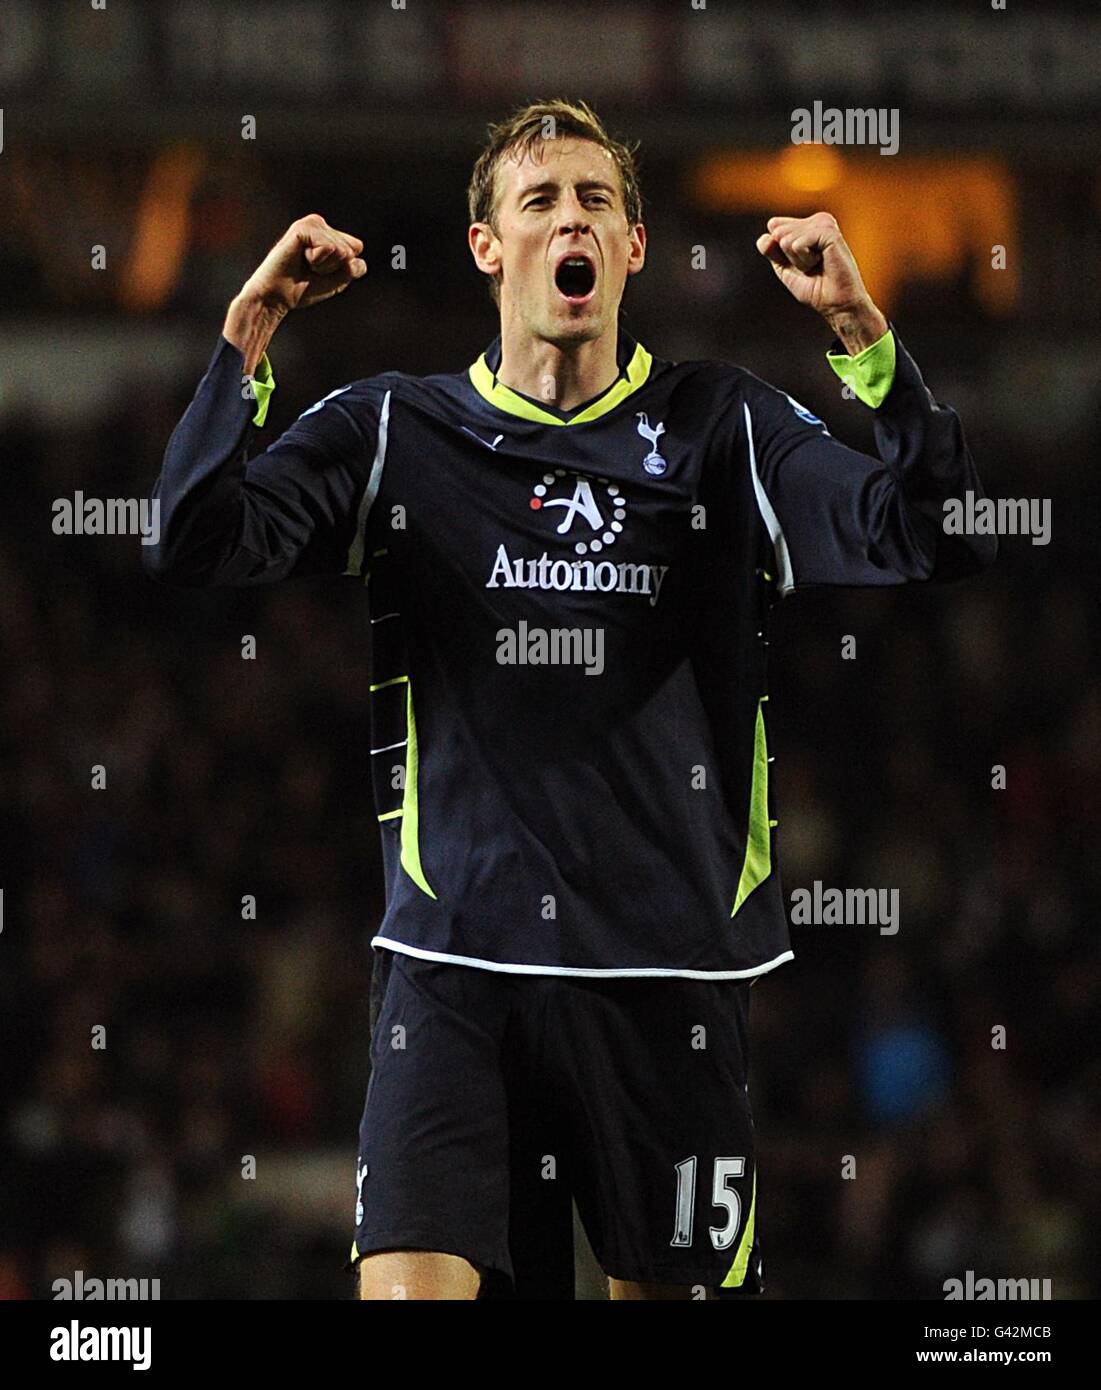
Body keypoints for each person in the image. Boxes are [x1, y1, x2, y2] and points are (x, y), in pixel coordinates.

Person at [143, 98, 997, 1300]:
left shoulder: (723, 429)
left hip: (667, 984)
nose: (570, 220)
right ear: (490, 248)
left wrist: (864, 338)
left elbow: (939, 532)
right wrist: (250, 333)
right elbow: (189, 539)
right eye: (539, 201)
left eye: (596, 199)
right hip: (453, 969)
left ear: (633, 249)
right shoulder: (398, 430)